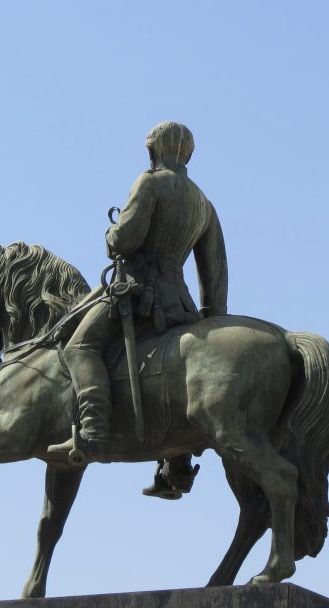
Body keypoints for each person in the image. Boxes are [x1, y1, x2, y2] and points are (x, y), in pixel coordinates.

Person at [47, 121, 227, 498]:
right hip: (180, 304)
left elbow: (126, 239)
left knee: (79, 348)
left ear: (154, 150)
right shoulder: (204, 204)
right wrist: (212, 320)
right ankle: (176, 465)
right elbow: (215, 275)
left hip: (137, 292)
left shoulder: (149, 183)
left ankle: (93, 433)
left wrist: (111, 235)